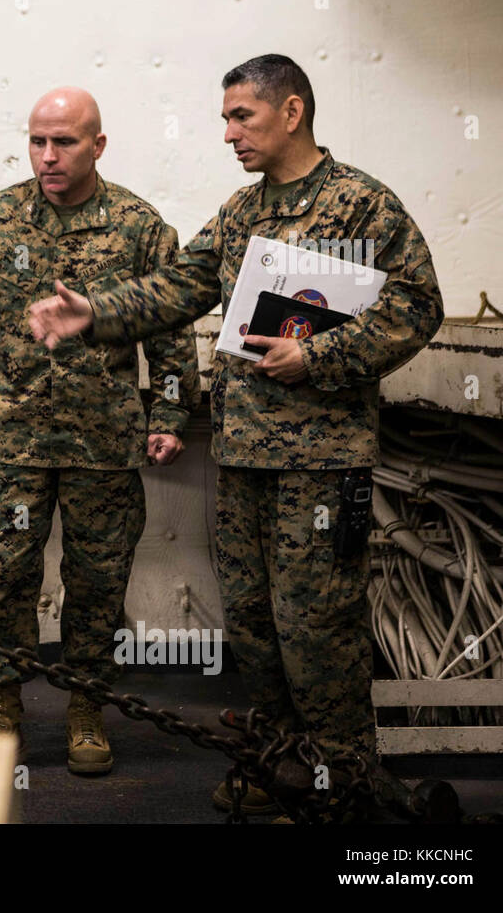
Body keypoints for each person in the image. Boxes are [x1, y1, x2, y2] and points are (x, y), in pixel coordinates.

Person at [28, 55, 444, 811]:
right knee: (254, 627)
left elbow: (417, 306)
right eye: (225, 119)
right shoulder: (243, 212)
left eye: (240, 117)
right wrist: (96, 311)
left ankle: (350, 791)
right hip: (244, 454)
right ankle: (284, 772)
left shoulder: (360, 206)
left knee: (317, 631)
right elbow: (181, 283)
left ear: (291, 113)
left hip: (321, 463)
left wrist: (318, 354)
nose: (228, 134)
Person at [0, 86, 199, 775]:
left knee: (98, 581)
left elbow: (170, 330)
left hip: (103, 444)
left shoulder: (141, 227)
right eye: (37, 140)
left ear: (97, 145)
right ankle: (1, 706)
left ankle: (86, 708)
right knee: (8, 576)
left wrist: (170, 412)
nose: (48, 155)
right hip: (13, 440)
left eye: (65, 141)